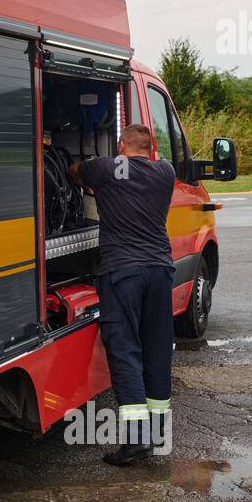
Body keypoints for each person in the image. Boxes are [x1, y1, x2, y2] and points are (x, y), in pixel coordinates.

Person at [68, 123, 176, 465]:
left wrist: (81, 170)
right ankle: (157, 434)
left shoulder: (105, 167)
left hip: (123, 272)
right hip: (161, 271)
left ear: (120, 145)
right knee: (157, 351)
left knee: (125, 350)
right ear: (151, 148)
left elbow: (74, 171)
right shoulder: (166, 172)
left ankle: (136, 441)